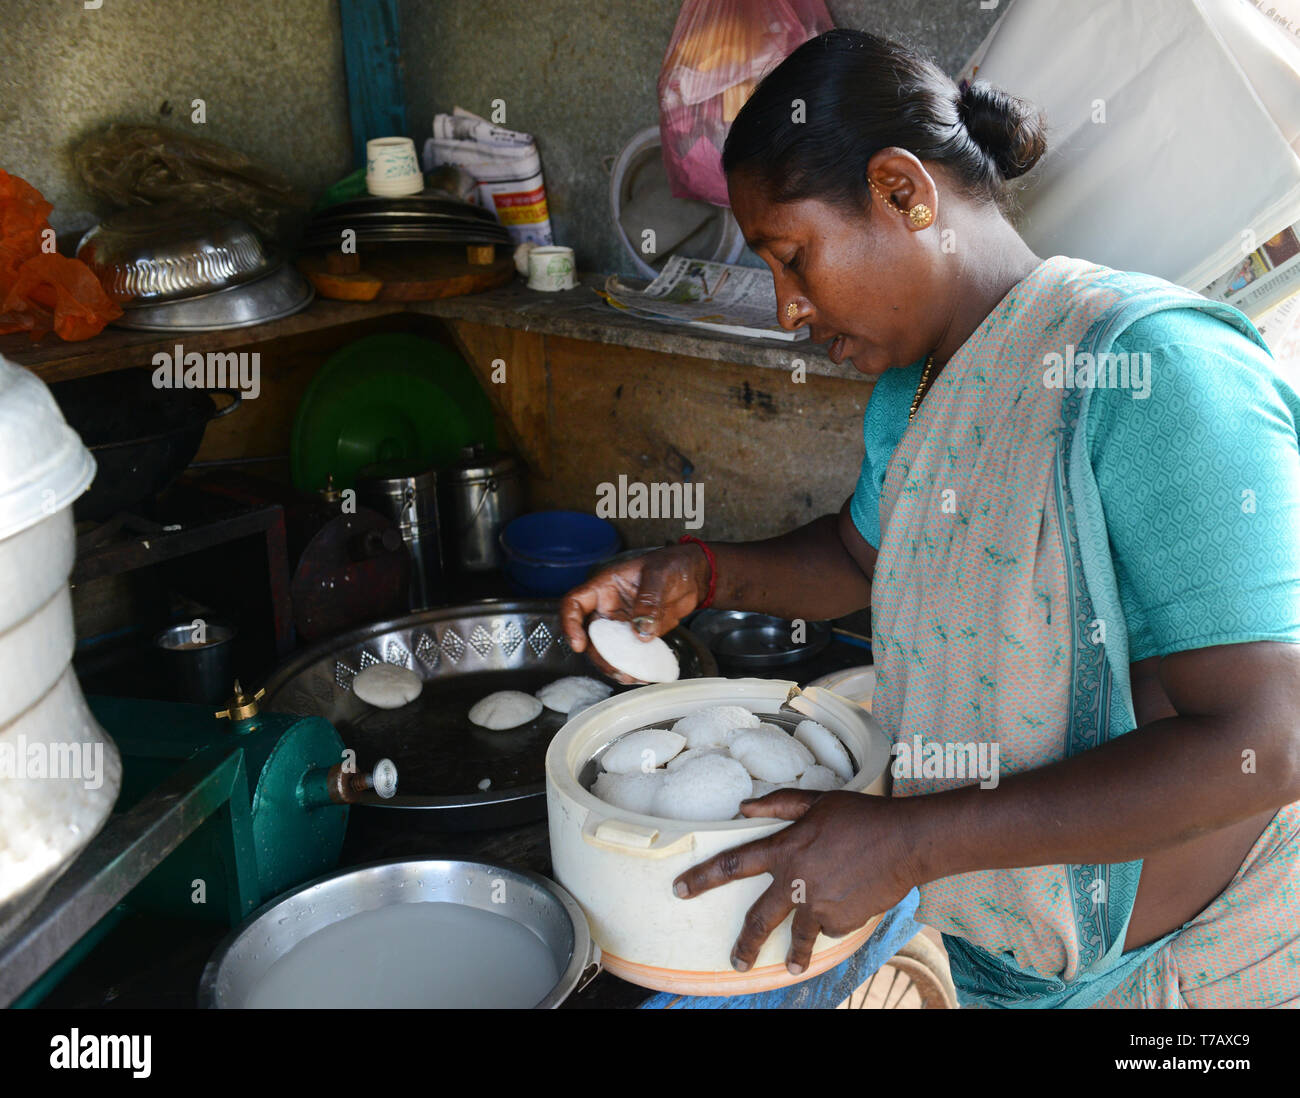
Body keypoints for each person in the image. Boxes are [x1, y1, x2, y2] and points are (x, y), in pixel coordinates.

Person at [560, 28, 1300, 1008]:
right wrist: (699, 572)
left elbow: (1267, 739)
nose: (786, 310)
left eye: (793, 258)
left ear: (903, 193)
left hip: (1197, 970)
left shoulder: (1150, 373)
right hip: (1001, 948)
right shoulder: (913, 389)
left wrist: (910, 840)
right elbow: (862, 555)